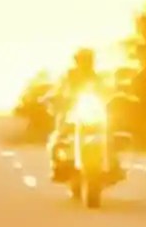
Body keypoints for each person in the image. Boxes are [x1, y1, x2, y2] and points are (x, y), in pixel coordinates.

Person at [44, 48, 109, 181]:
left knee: (111, 129)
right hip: (71, 112)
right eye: (83, 59)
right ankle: (56, 165)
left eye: (89, 59)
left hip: (93, 111)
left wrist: (116, 96)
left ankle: (113, 162)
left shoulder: (97, 77)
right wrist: (52, 97)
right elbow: (58, 89)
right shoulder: (68, 76)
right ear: (77, 61)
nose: (86, 62)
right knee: (59, 134)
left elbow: (107, 91)